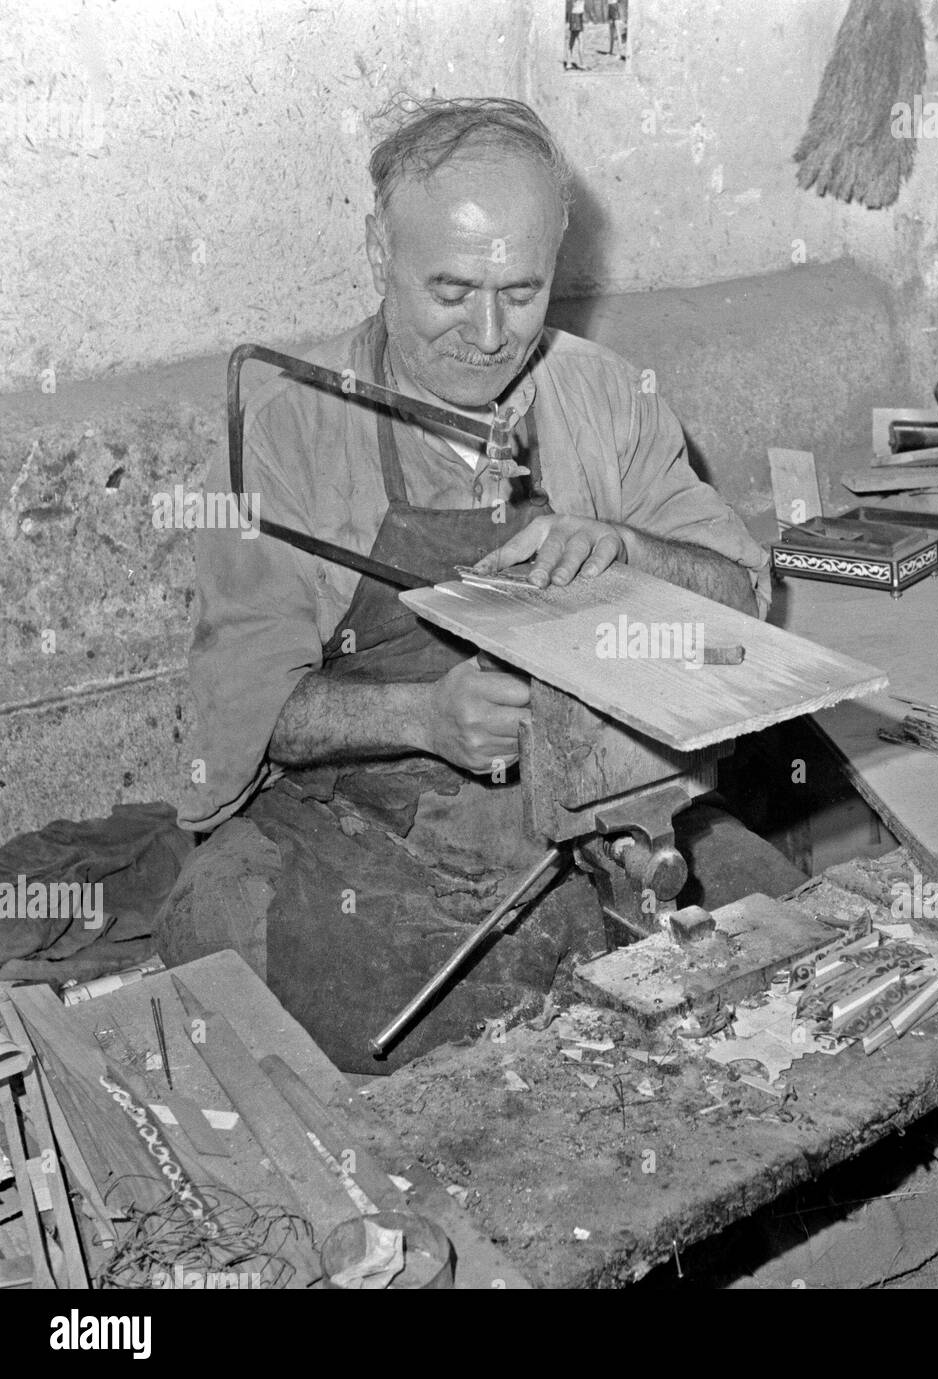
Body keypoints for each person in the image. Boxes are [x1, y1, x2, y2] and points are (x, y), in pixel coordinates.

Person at [158, 97, 801, 1074]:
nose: (492, 334)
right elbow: (244, 710)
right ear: (379, 250)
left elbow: (742, 598)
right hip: (370, 827)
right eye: (452, 291)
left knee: (782, 949)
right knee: (334, 997)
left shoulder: (599, 395)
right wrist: (425, 713)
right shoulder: (288, 433)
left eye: (523, 289)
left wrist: (631, 547)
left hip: (607, 812)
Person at [565, 1, 587, 70]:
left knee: (571, 41)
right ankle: (582, 64)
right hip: (577, 16)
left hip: (573, 15)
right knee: (581, 41)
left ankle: (568, 64)